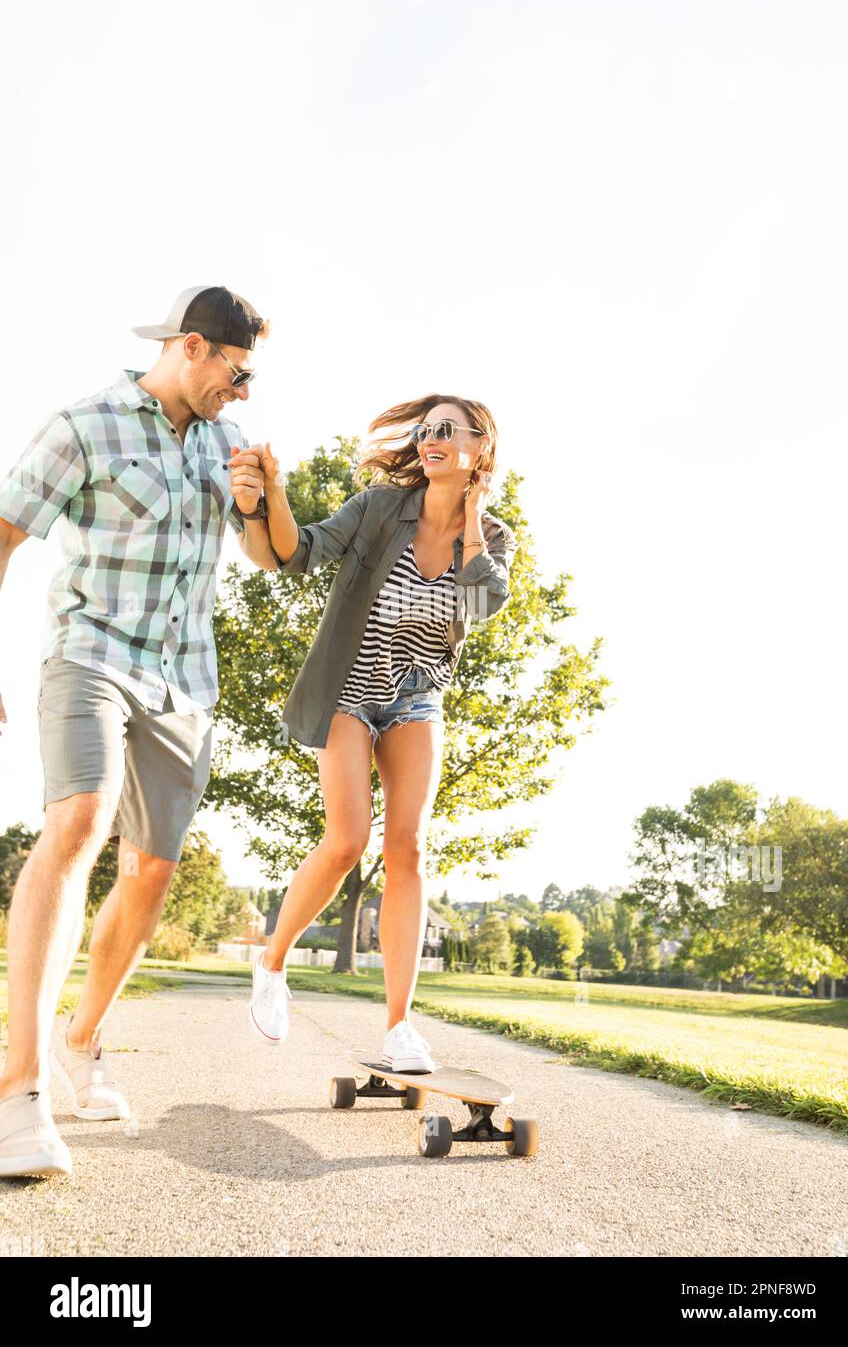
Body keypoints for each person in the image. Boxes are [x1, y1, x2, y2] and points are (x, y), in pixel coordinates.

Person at [0, 285, 279, 1178]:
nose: (243, 394)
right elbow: (3, 533)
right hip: (89, 652)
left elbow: (272, 557)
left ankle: (82, 1039)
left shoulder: (232, 444)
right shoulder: (84, 426)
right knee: (78, 820)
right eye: (237, 375)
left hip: (185, 681)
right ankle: (18, 1089)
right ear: (191, 348)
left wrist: (263, 501)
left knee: (152, 872)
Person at [246, 394, 517, 1074]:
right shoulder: (376, 508)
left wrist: (475, 522)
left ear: (480, 447)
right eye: (427, 431)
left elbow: (483, 607)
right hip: (347, 687)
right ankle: (272, 962)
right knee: (346, 841)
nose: (431, 440)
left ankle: (399, 1026)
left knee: (410, 848)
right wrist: (272, 495)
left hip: (416, 697)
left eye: (447, 431)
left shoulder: (495, 537)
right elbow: (298, 554)